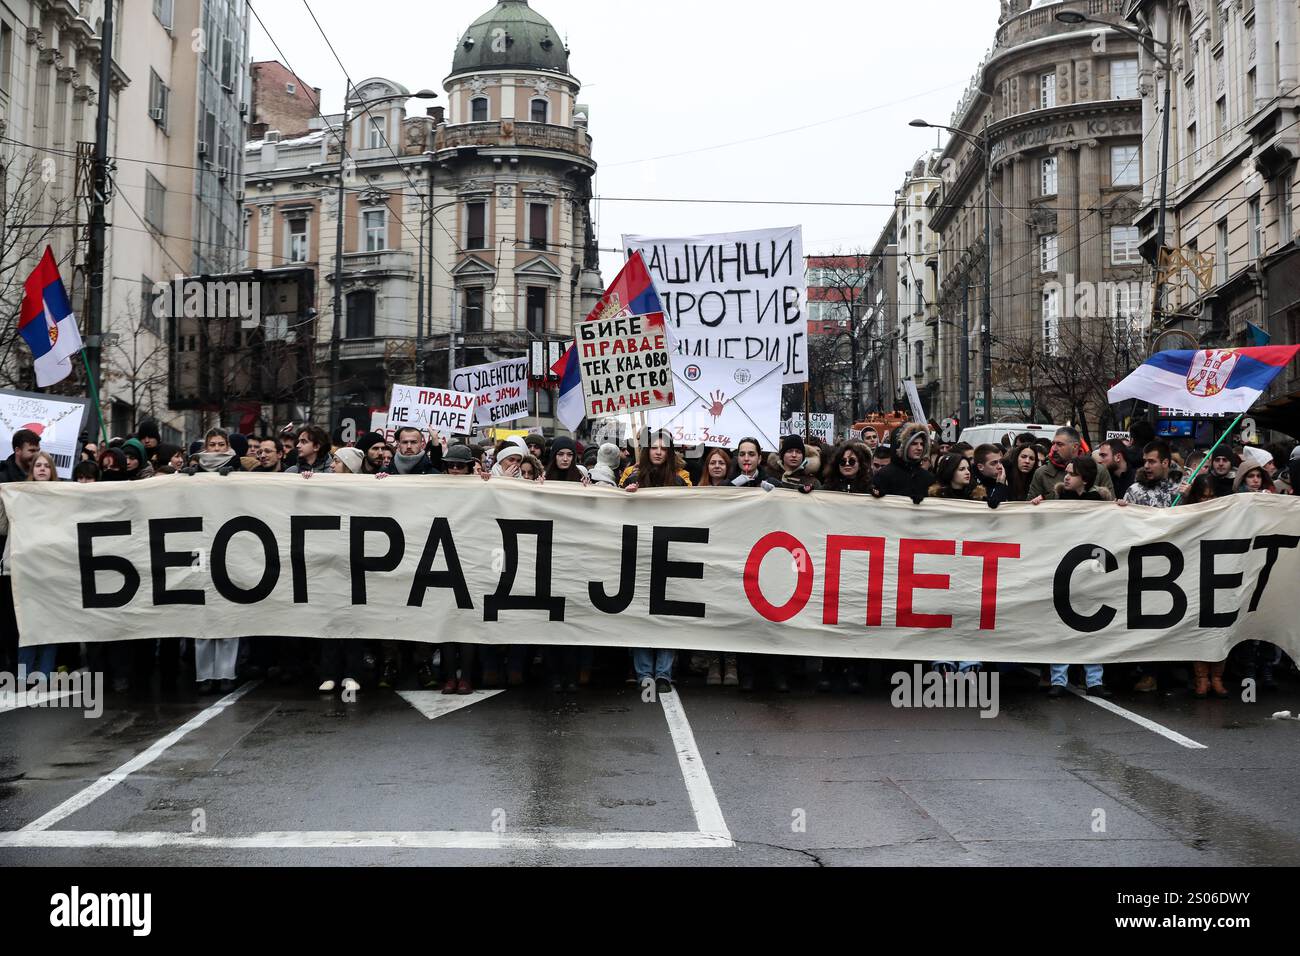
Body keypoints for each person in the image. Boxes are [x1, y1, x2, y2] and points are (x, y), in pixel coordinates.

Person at [1031, 456, 1115, 699]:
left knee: (1093, 627)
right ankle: (1059, 679)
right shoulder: (1056, 499)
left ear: (1085, 479)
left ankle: (1094, 680)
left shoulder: (1100, 502)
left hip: (1092, 570)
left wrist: (1121, 509)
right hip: (1063, 570)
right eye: (1066, 472)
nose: (1066, 477)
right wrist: (1037, 506)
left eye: (1072, 473)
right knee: (1062, 626)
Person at [1029, 427, 1114, 500]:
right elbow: (1030, 509)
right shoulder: (1042, 473)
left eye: (1059, 444)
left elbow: (1110, 507)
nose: (1054, 449)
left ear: (1075, 447)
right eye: (1053, 444)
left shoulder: (1099, 471)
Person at [872, 423, 934, 504]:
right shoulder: (884, 475)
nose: (919, 448)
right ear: (901, 446)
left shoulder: (928, 477)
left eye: (922, 444)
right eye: (914, 443)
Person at [1120, 440, 1179, 508]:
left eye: (1151, 461)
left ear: (1165, 463)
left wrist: (1188, 497)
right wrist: (1121, 508)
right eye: (1145, 461)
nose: (1146, 466)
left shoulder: (1181, 490)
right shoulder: (1135, 491)